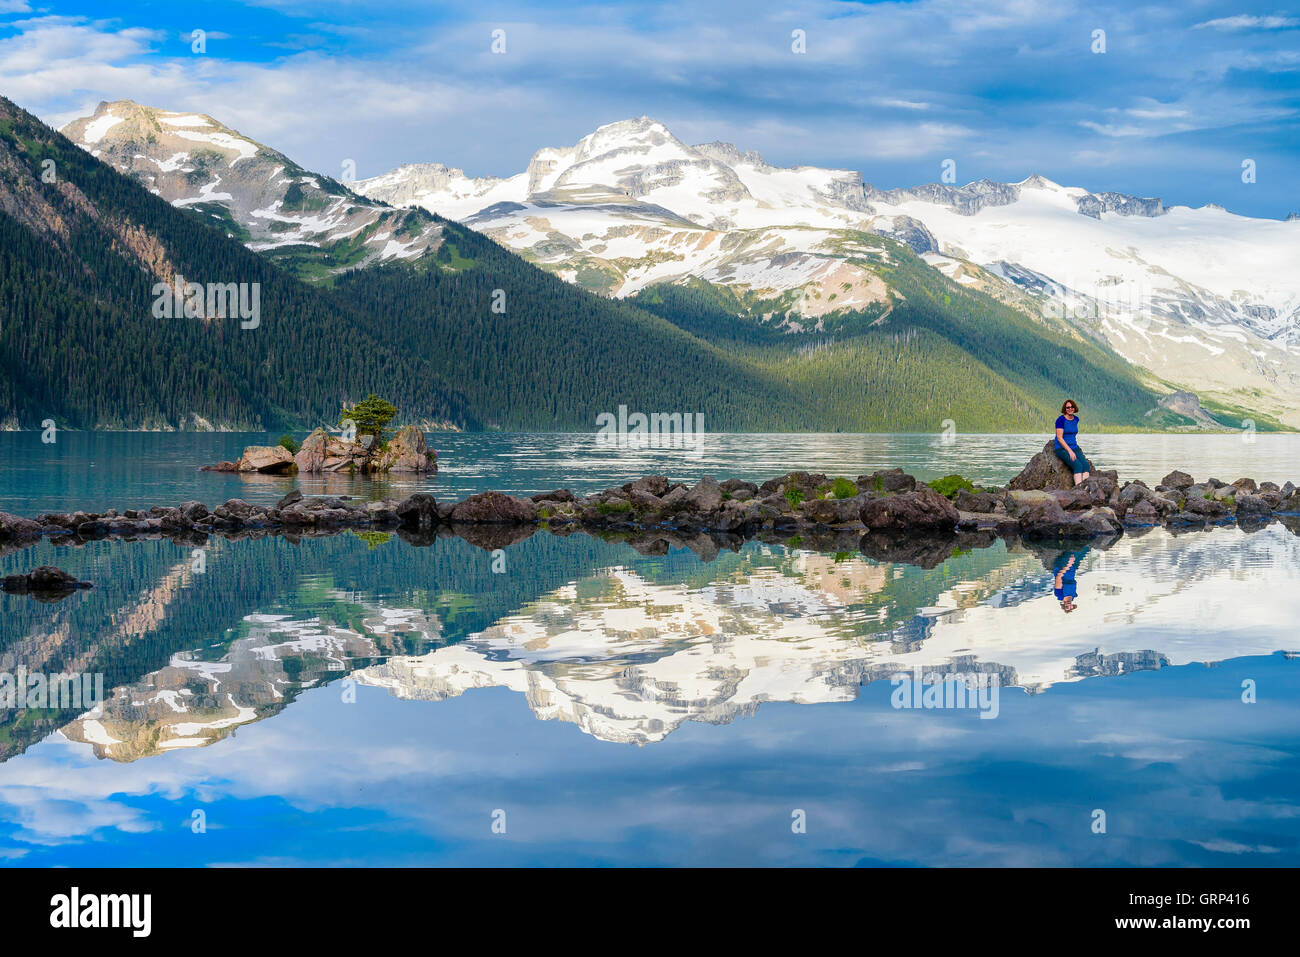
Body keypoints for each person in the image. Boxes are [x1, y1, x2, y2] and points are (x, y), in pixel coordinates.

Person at [1054, 399, 1091, 486]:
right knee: (1078, 466)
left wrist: (1073, 449)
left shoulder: (1076, 419)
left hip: (1074, 447)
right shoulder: (1060, 420)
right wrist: (1070, 451)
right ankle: (1079, 490)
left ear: (1074, 408)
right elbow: (1059, 438)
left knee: (1085, 466)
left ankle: (1085, 488)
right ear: (1065, 409)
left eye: (1072, 407)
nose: (1070, 409)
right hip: (1062, 448)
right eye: (1068, 407)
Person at [1052, 549, 1086, 613]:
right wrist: (1071, 565)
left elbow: (1058, 577)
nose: (1069, 605)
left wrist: (1068, 565)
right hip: (1072, 568)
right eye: (1071, 607)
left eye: (1067, 607)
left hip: (1062, 566)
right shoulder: (1073, 595)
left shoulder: (1059, 594)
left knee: (1075, 551)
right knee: (1085, 549)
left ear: (1063, 605)